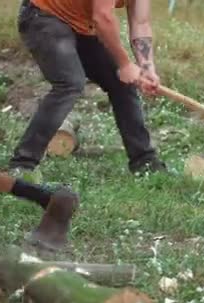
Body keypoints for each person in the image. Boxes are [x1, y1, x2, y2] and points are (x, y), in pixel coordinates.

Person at [9, 0, 167, 179]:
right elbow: (102, 17)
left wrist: (147, 69)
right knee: (70, 82)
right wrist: (124, 64)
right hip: (43, 16)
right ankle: (23, 164)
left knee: (122, 82)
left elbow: (141, 23)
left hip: (81, 26)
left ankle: (144, 162)